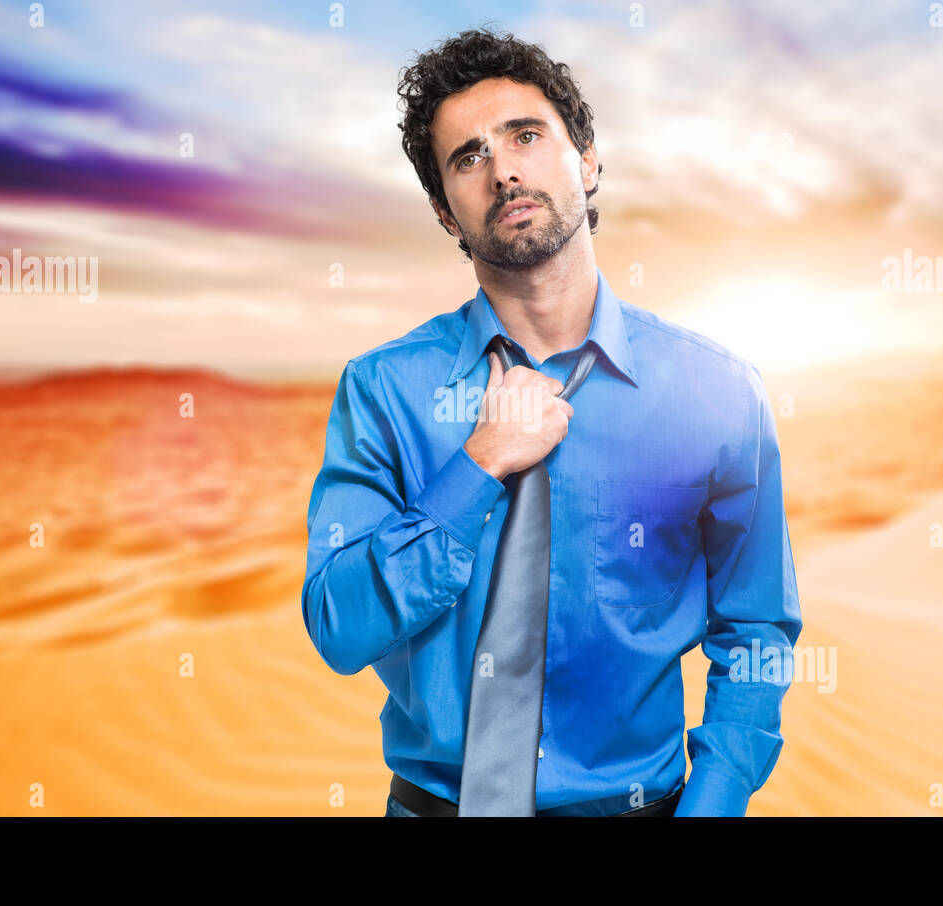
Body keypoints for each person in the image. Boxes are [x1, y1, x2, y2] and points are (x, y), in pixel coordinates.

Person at [301, 26, 802, 817]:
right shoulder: (383, 390)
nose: (502, 169)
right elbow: (338, 625)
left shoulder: (717, 391)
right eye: (467, 157)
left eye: (526, 136)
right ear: (443, 209)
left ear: (588, 160)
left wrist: (714, 801)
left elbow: (757, 630)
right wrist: (475, 468)